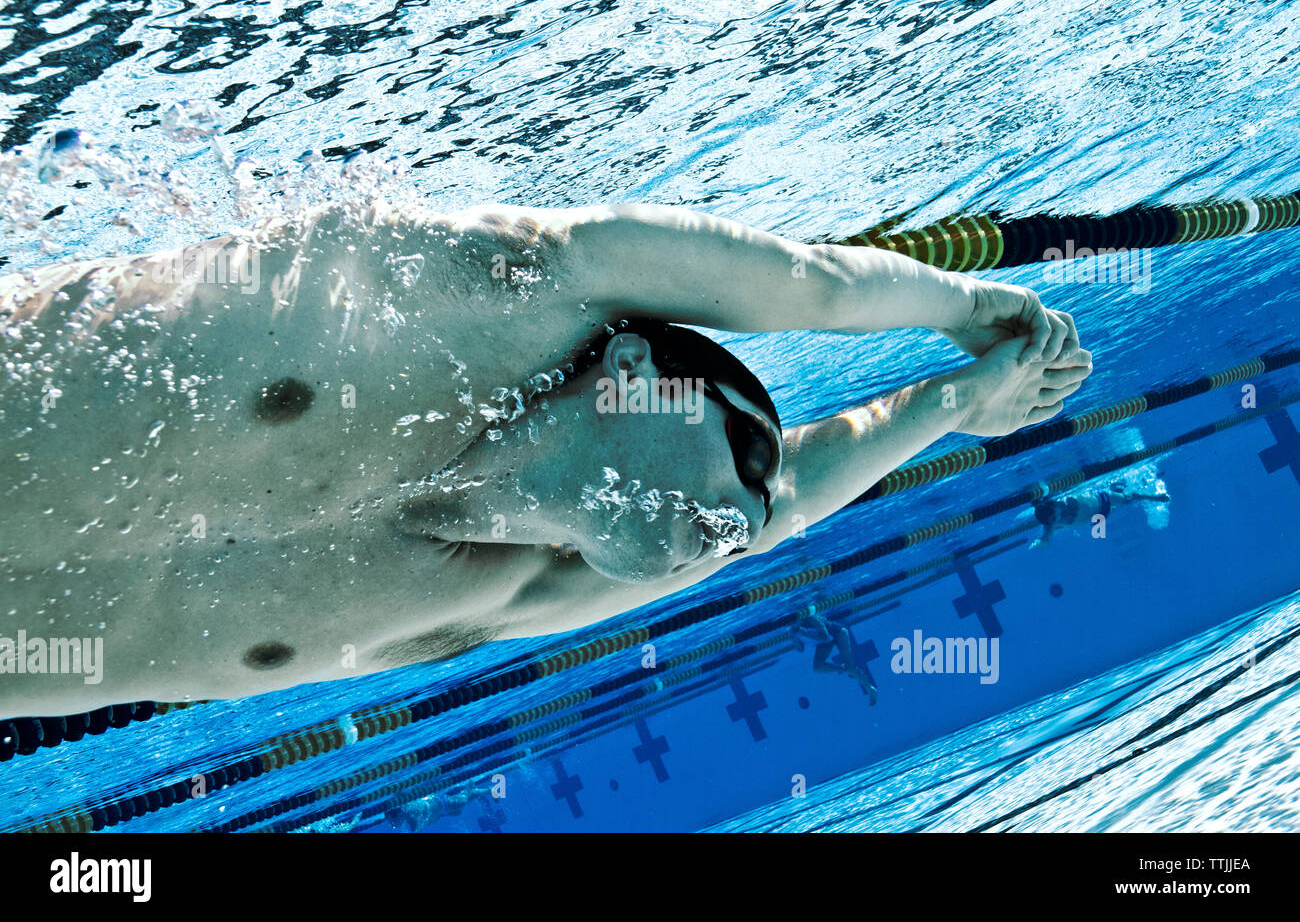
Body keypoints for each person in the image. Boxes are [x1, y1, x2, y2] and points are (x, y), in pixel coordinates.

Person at [0, 201, 1092, 717]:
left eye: (743, 503)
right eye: (750, 449)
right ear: (635, 362)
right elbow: (813, 287)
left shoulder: (520, 582)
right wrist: (960, 308)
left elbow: (792, 501)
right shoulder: (501, 293)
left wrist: (956, 403)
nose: (741, 511)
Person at [1031, 477, 1170, 545]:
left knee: (1126, 499)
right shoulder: (1051, 524)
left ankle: (1152, 497)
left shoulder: (1063, 498)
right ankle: (1118, 487)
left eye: (1057, 513)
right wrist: (1041, 542)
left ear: (1053, 505)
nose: (1060, 516)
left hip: (1102, 498)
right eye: (1056, 519)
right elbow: (1047, 538)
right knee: (1112, 510)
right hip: (1099, 516)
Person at [792, 614, 878, 704]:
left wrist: (806, 634)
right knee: (818, 668)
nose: (792, 624)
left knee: (851, 667)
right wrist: (794, 638)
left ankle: (871, 690)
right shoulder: (792, 631)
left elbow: (825, 637)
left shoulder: (811, 619)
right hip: (823, 643)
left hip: (838, 633)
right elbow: (800, 649)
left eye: (793, 621)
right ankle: (845, 669)